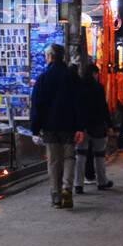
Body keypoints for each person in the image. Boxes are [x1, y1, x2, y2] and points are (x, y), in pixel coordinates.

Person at [30, 44, 86, 208]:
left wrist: (35, 129)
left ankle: (56, 194)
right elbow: (80, 104)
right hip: (69, 126)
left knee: (54, 161)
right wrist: (80, 127)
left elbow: (37, 105)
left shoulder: (43, 78)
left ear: (49, 57)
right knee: (69, 158)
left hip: (50, 127)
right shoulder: (72, 77)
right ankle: (67, 189)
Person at [76, 63, 113, 194]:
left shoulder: (78, 87)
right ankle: (102, 182)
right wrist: (109, 124)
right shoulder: (98, 88)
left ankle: (78, 184)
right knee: (99, 155)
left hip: (82, 126)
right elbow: (103, 107)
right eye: (97, 74)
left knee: (80, 155)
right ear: (94, 73)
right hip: (97, 125)